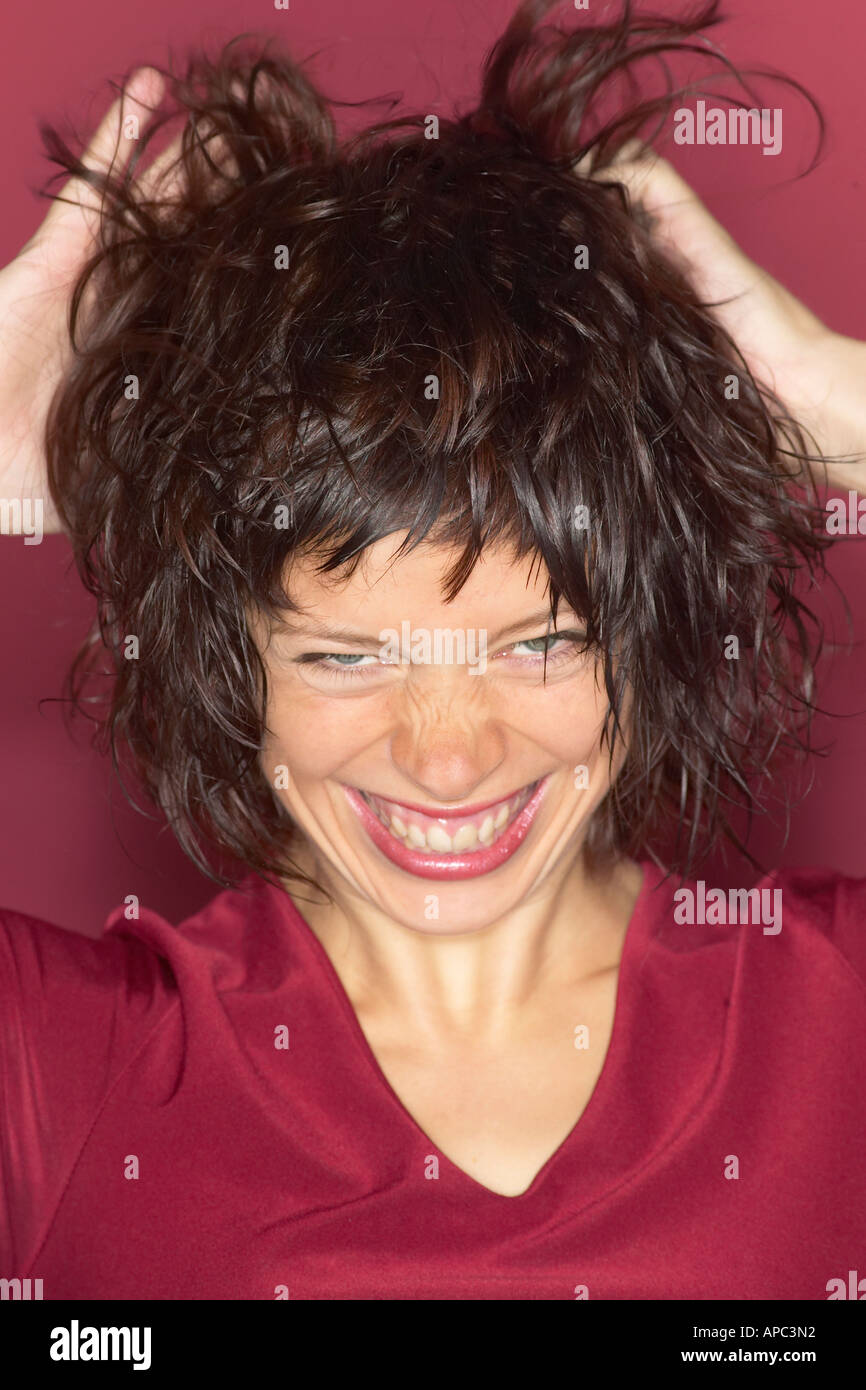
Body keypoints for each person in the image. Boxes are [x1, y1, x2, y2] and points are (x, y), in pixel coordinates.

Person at [1, 0, 865, 1300]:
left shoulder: (835, 1021)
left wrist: (842, 421)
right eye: (346, 657)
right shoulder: (58, 1060)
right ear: (231, 652)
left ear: (647, 627)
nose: (447, 754)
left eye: (535, 645)